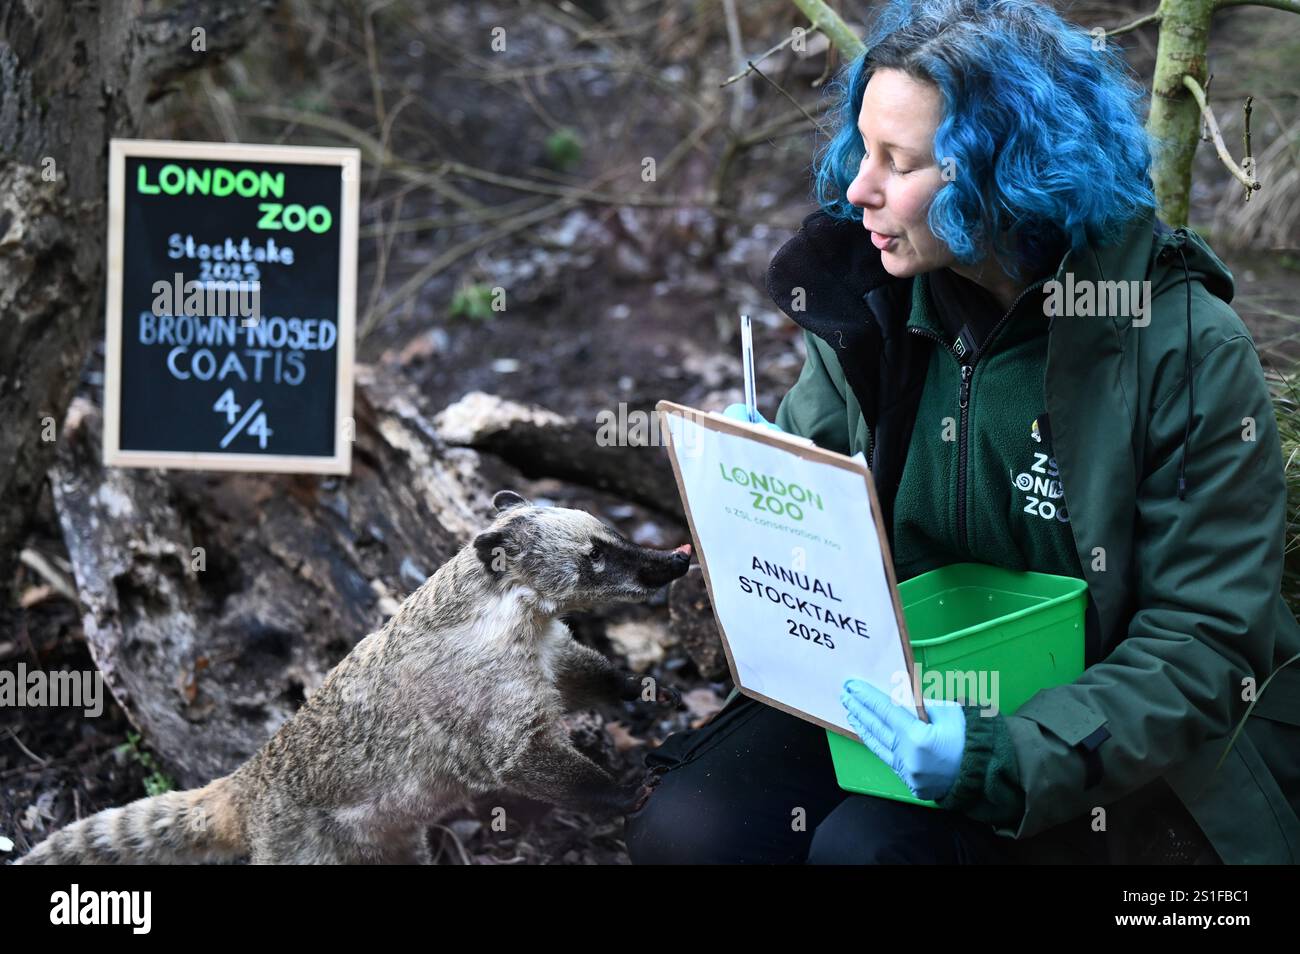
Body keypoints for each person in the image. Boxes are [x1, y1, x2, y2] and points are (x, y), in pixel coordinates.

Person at [625, 0, 1300, 864]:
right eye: (861, 149)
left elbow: (1204, 644)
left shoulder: (1181, 345)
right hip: (901, 692)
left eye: (896, 162)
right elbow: (818, 565)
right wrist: (758, 493)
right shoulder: (873, 300)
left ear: (1002, 175)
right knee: (690, 830)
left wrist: (1000, 754)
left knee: (869, 851)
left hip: (1118, 753)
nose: (854, 189)